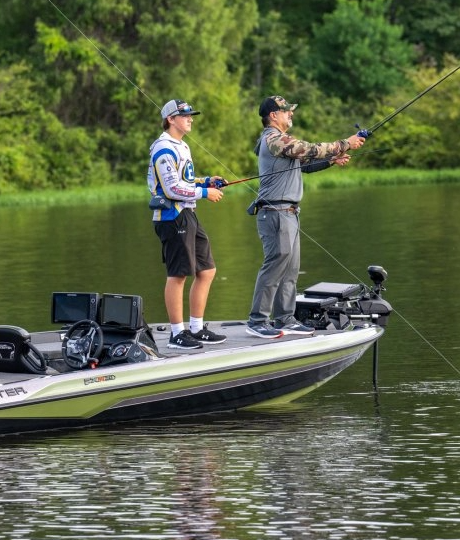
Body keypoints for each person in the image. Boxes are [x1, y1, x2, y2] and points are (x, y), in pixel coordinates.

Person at [246, 95, 364, 338]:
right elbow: (309, 149)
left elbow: (305, 165)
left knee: (290, 269)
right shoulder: (273, 139)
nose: (291, 114)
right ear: (273, 115)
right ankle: (257, 321)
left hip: (288, 213)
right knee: (275, 265)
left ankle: (285, 319)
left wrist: (331, 160)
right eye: (286, 111)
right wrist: (345, 143)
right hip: (275, 213)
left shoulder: (280, 142)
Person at [147, 99, 228, 350]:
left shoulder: (181, 146)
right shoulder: (163, 148)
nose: (190, 119)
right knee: (179, 275)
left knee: (207, 270)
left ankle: (196, 328)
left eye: (191, 115)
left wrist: (206, 181)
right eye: (185, 115)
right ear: (171, 119)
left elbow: (184, 179)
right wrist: (204, 193)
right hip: (172, 217)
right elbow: (171, 188)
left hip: (188, 214)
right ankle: (176, 334)